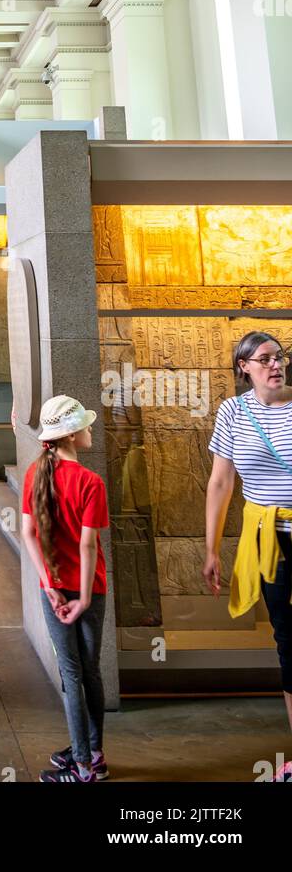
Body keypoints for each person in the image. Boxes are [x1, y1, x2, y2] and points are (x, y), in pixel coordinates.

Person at [204, 330, 292, 782]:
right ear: (244, 367)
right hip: (270, 542)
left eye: (280, 357)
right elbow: (221, 482)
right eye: (265, 359)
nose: (276, 365)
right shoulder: (234, 412)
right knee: (288, 641)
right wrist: (212, 548)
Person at [21, 395, 110, 784]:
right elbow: (88, 545)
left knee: (70, 673)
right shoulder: (91, 482)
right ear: (71, 435)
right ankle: (90, 757)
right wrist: (85, 596)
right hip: (92, 588)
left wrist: (50, 584)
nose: (91, 431)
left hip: (53, 588)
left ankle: (82, 760)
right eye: (86, 426)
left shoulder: (34, 474)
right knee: (90, 671)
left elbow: (28, 533)